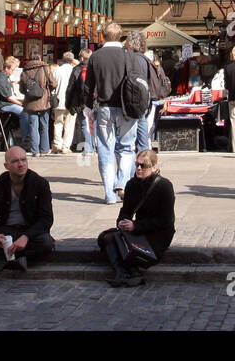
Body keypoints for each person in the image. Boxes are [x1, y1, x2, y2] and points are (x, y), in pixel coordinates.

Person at [98, 148, 175, 287]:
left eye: (143, 166)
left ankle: (128, 273)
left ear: (154, 167)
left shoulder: (164, 186)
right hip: (139, 230)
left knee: (118, 243)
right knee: (105, 237)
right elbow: (126, 210)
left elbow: (166, 220)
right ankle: (123, 272)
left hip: (157, 235)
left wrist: (136, 226)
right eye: (137, 165)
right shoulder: (132, 184)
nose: (139, 169)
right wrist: (122, 222)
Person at [85, 22, 139, 204]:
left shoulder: (96, 56)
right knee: (126, 147)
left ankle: (109, 194)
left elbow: (88, 85)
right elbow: (138, 82)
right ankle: (122, 184)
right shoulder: (129, 55)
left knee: (105, 150)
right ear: (121, 36)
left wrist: (87, 106)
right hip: (127, 108)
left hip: (104, 107)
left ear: (102, 35)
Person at [0, 55, 27, 145]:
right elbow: (8, 97)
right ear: (6, 68)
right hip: (3, 105)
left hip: (7, 103)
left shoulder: (6, 78)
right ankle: (25, 138)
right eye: (12, 70)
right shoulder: (1, 78)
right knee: (24, 112)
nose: (12, 72)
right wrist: (21, 103)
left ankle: (25, 136)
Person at [50, 51, 77, 154]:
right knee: (69, 125)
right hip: (72, 102)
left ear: (63, 59)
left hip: (59, 100)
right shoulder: (74, 70)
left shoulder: (57, 70)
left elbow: (52, 84)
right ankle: (66, 146)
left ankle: (57, 144)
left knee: (58, 123)